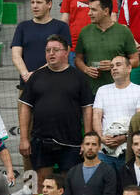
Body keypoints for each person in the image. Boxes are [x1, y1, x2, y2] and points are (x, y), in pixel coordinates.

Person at [19, 35, 94, 184]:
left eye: (55, 50)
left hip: (71, 141)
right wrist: (24, 138)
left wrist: (87, 139)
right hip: (41, 140)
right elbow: (25, 107)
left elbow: (87, 109)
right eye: (48, 50)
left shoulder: (79, 77)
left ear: (66, 52)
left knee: (69, 184)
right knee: (41, 183)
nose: (51, 53)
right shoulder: (36, 77)